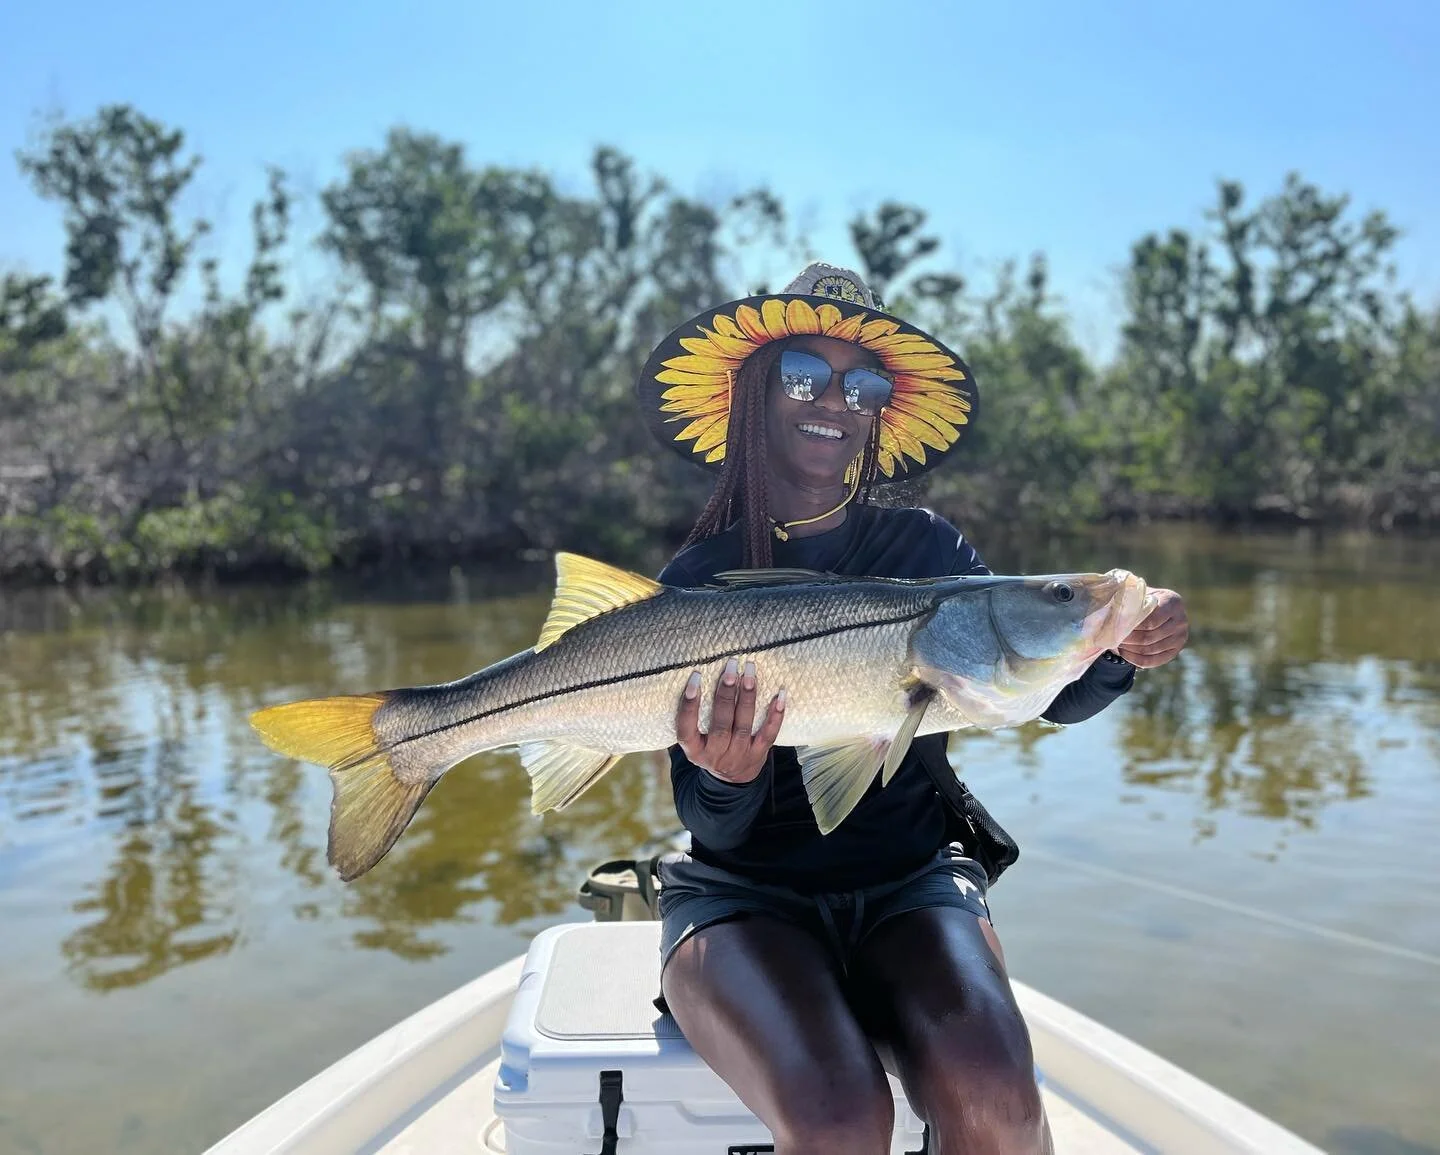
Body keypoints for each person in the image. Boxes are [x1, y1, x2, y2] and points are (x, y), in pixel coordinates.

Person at [633, 263, 1190, 1155]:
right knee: (839, 1122)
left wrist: (1117, 652)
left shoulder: (926, 546)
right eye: (806, 374)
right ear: (757, 394)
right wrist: (728, 776)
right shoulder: (699, 584)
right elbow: (710, 823)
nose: (837, 399)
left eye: (865, 382)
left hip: (911, 883)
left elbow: (1036, 694)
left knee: (998, 1100)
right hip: (744, 896)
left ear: (881, 407)